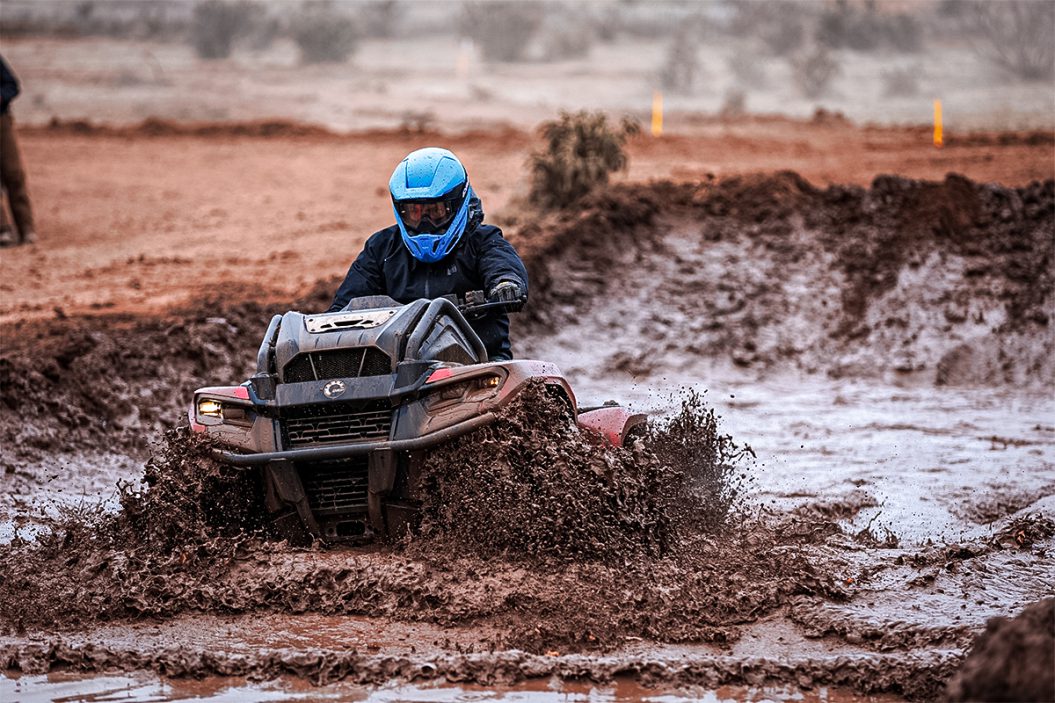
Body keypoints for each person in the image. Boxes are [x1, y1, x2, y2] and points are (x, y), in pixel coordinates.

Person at [327, 147, 528, 361]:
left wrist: (506, 284)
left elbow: (502, 265)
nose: (425, 223)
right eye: (414, 212)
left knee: (510, 376)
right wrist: (332, 322)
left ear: (457, 205)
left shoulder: (483, 241)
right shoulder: (381, 247)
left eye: (435, 211)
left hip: (479, 362)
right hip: (398, 366)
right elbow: (346, 304)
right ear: (400, 211)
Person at [0, 54, 36, 247]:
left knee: (13, 173)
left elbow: (12, 85)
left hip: (1, 121)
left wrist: (1, 97)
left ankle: (26, 228)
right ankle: (3, 229)